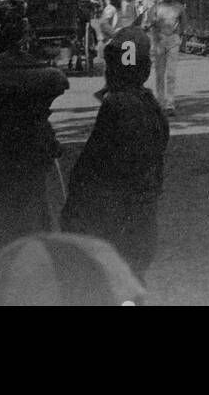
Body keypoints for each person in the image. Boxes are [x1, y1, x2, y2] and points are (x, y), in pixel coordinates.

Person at [61, 25, 169, 282]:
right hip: (141, 216)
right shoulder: (150, 103)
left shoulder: (117, 104)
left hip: (113, 216)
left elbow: (93, 162)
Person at [0, 17, 69, 264]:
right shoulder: (42, 75)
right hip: (31, 154)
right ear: (24, 40)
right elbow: (59, 82)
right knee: (33, 213)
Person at [144, 0, 184, 116]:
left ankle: (170, 104)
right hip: (159, 42)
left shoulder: (179, 8)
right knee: (160, 74)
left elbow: (184, 24)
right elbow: (148, 23)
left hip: (173, 42)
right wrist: (152, 24)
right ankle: (160, 103)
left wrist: (180, 37)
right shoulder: (156, 8)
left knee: (171, 75)